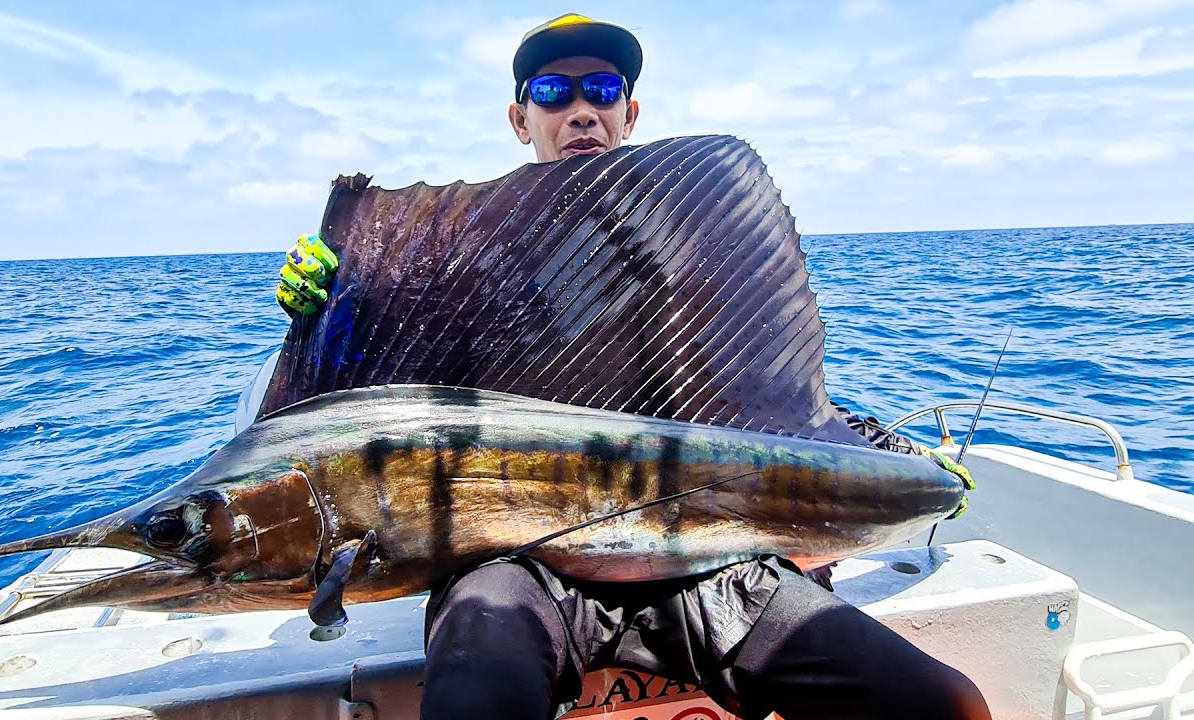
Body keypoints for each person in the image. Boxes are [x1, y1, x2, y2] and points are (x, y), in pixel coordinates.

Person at [267, 14, 990, 720]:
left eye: (602, 91)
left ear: (629, 112)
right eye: (554, 93)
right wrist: (329, 311)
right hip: (521, 571)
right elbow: (324, 435)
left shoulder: (683, 248)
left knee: (944, 704)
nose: (581, 111)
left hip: (708, 566)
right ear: (521, 119)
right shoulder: (454, 267)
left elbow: (765, 403)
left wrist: (883, 449)